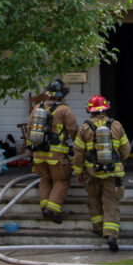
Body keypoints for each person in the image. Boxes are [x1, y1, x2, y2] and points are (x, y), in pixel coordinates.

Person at [73, 94, 130, 251]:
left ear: (90, 111)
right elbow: (126, 150)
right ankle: (111, 234)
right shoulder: (116, 126)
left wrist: (78, 172)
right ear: (105, 109)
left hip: (92, 172)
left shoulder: (84, 128)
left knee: (94, 199)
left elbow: (78, 153)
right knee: (111, 202)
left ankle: (98, 228)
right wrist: (118, 160)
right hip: (114, 173)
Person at [29, 78, 78, 224]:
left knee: (45, 179)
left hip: (38, 153)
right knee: (61, 180)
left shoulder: (37, 108)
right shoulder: (65, 110)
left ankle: (44, 207)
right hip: (56, 155)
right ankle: (52, 210)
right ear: (63, 95)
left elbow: (30, 129)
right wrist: (80, 148)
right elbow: (74, 130)